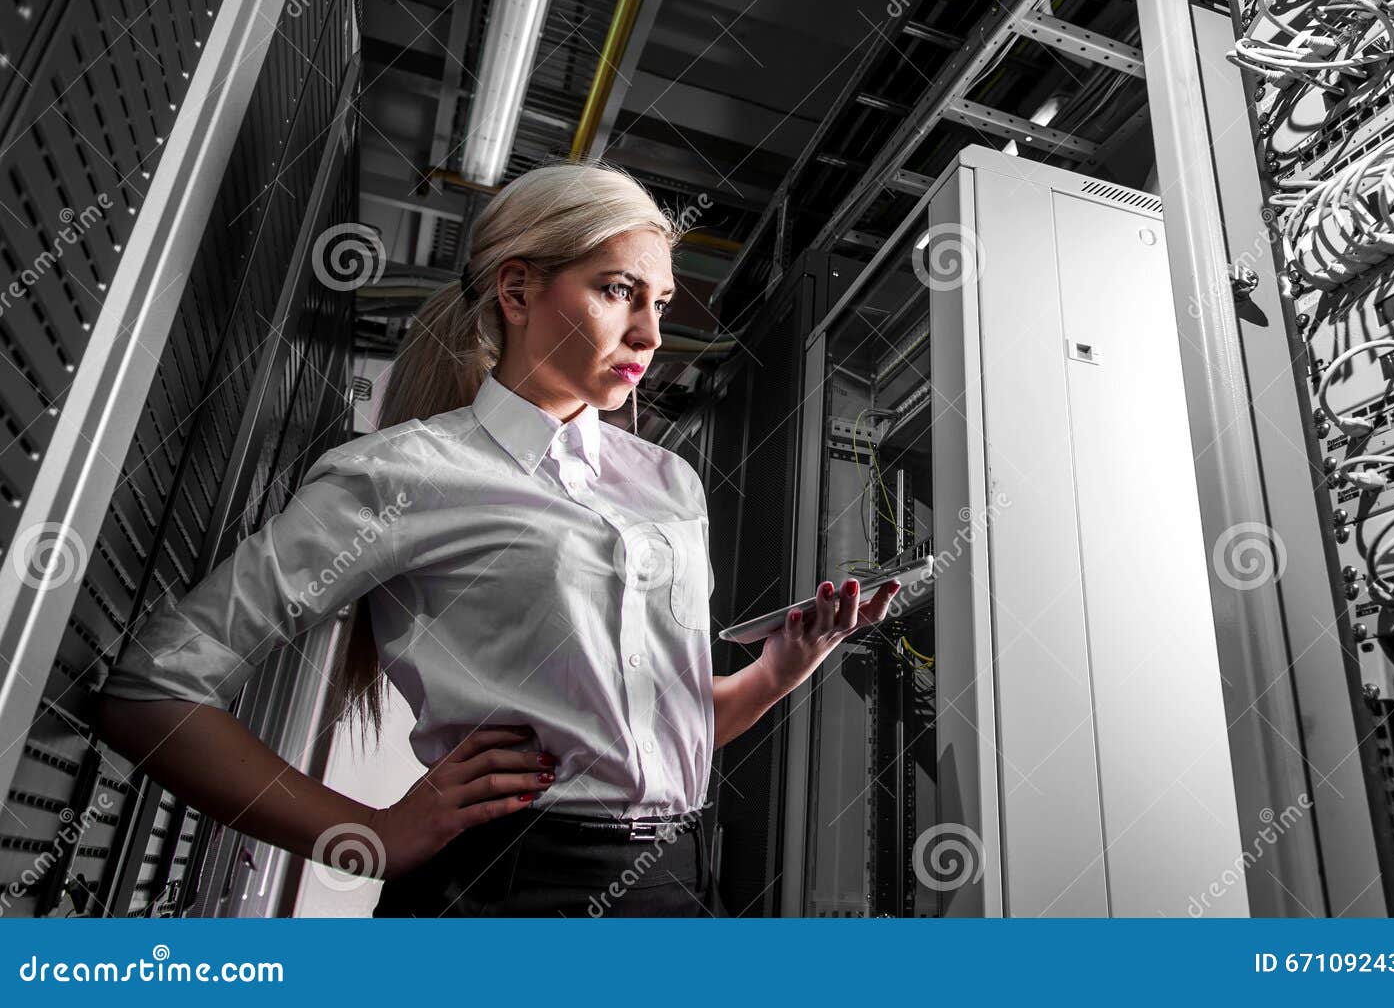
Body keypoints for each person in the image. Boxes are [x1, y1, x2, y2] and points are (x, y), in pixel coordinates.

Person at [93, 161, 902, 917]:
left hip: (677, 886)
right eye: (619, 291)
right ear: (517, 291)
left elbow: (646, 741)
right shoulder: (402, 474)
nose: (651, 335)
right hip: (502, 892)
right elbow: (153, 691)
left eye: (659, 302)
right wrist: (370, 835)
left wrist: (776, 671)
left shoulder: (669, 482)